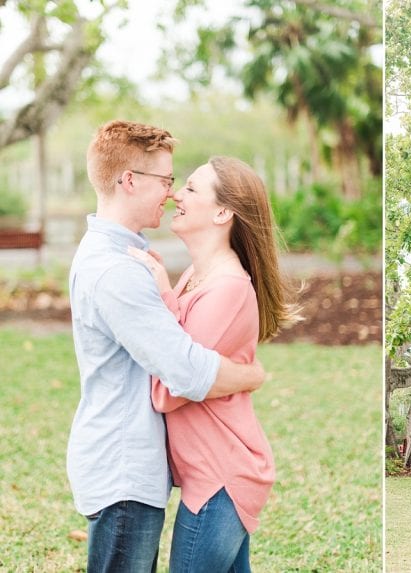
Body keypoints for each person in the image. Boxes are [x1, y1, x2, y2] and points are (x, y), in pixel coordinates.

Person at [67, 121, 266, 573]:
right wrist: (251, 375)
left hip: (139, 470)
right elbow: (186, 373)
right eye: (167, 181)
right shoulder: (116, 271)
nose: (172, 193)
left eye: (181, 184)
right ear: (130, 180)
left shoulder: (122, 259)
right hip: (124, 470)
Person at [129, 156, 298, 571]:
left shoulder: (227, 288)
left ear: (223, 212)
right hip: (214, 475)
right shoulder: (195, 275)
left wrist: (163, 299)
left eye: (190, 188)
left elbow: (170, 391)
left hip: (220, 476)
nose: (174, 194)